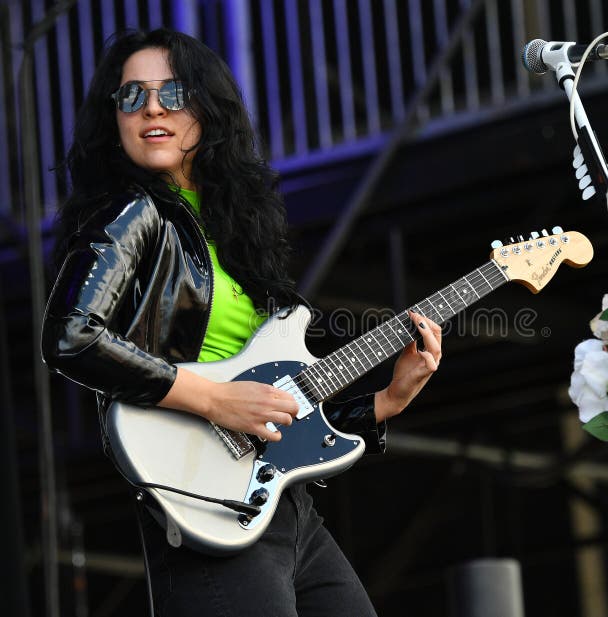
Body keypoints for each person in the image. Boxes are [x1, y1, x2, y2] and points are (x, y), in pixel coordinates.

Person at [41, 28, 442, 617]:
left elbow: (282, 400)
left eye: (173, 93)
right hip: (202, 504)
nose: (152, 107)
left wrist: (383, 401)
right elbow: (70, 335)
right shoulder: (133, 213)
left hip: (284, 507)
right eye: (132, 96)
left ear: (207, 107)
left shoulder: (234, 229)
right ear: (114, 119)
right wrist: (215, 401)